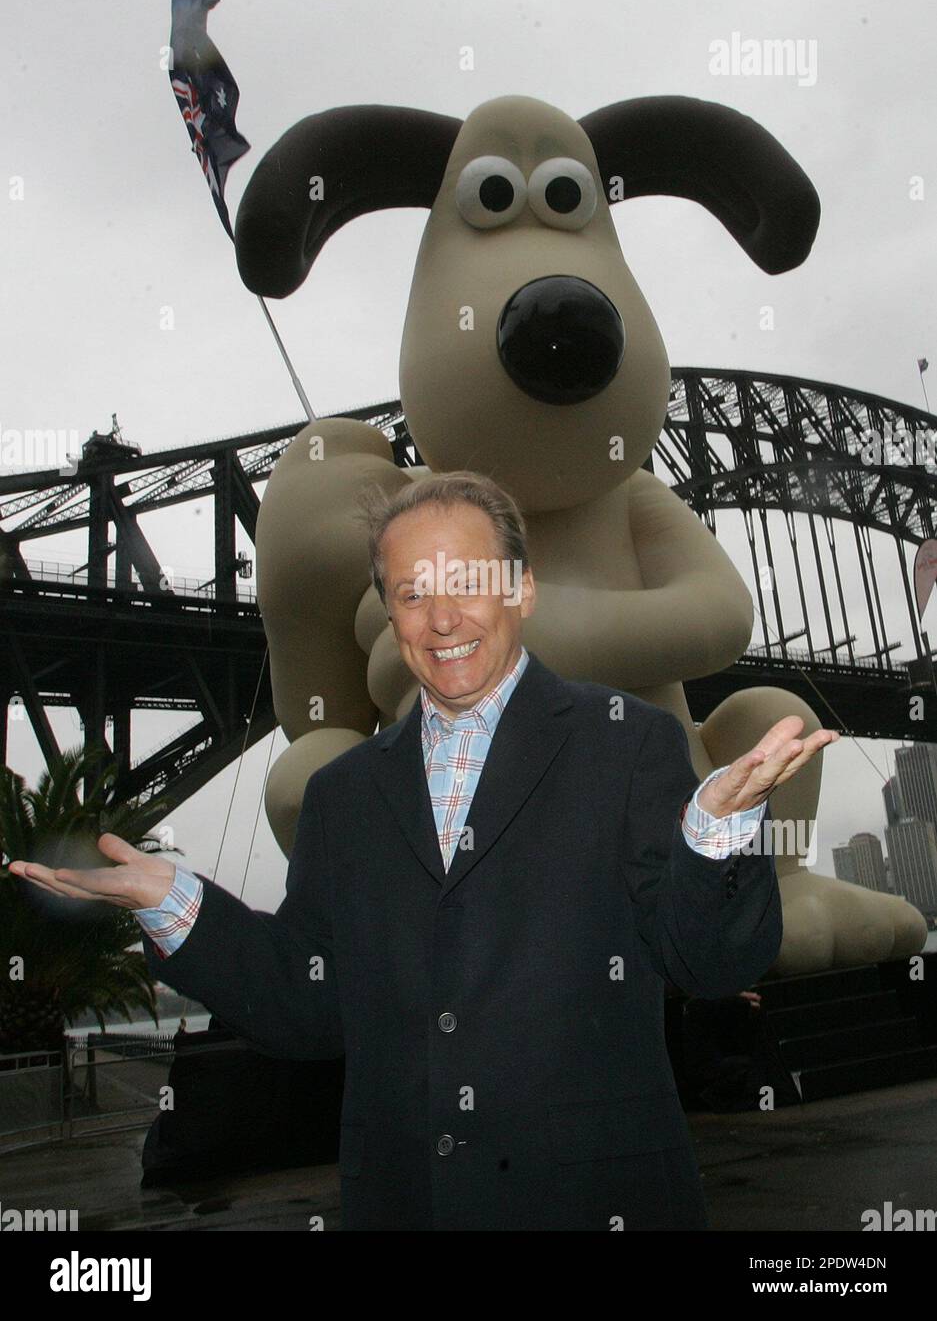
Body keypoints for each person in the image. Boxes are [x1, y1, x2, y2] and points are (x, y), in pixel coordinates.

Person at [10, 471, 839, 1231]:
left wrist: (716, 830)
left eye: (467, 583)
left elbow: (710, 963)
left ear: (520, 588)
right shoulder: (343, 796)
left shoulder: (626, 745)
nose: (440, 618)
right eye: (410, 593)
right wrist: (173, 901)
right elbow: (309, 1005)